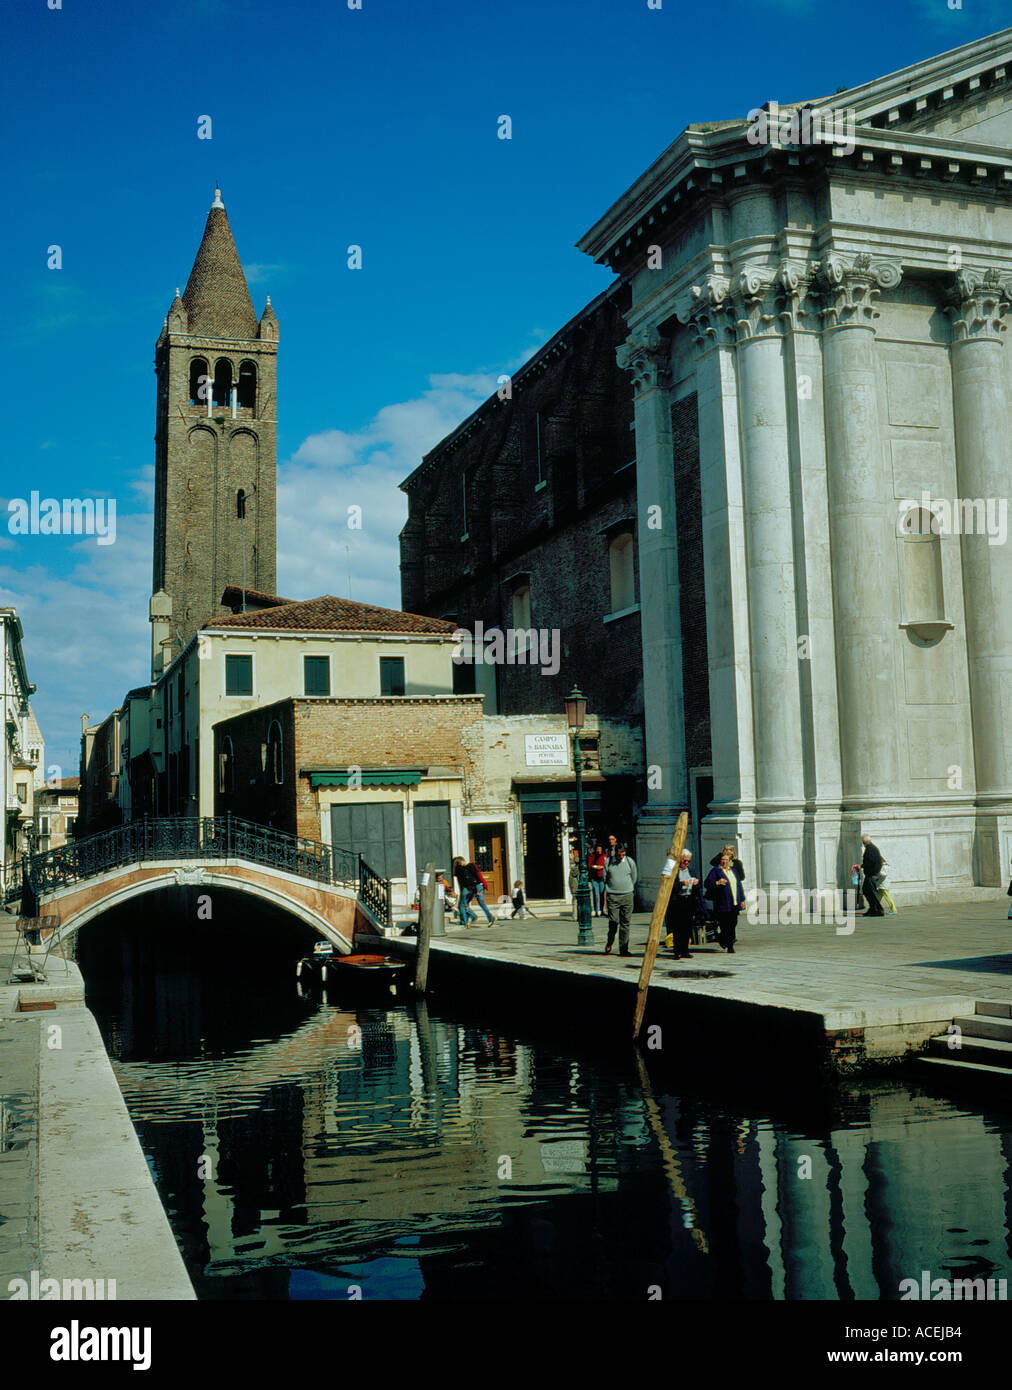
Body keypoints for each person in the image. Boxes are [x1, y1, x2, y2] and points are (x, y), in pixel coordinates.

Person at [704, 848, 744, 952]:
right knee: (725, 924)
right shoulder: (716, 871)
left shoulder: (733, 871)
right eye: (722, 859)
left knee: (733, 923)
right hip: (722, 903)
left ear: (729, 860)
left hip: (734, 903)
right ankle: (729, 946)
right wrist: (717, 883)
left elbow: (739, 885)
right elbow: (707, 883)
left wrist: (742, 900)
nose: (724, 862)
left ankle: (723, 938)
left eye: (726, 859)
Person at [603, 844, 637, 956]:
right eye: (619, 855)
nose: (621, 857)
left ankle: (624, 949)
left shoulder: (629, 861)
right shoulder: (608, 862)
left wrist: (629, 888)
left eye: (623, 854)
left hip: (627, 895)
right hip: (613, 896)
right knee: (613, 922)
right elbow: (605, 877)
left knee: (625, 923)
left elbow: (634, 877)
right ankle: (609, 942)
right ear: (615, 853)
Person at [665, 849, 699, 959]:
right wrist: (681, 883)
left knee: (687, 927)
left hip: (688, 900)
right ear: (680, 859)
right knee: (677, 927)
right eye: (684, 861)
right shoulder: (674, 870)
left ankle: (685, 950)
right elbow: (669, 886)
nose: (686, 863)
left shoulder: (691, 870)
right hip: (677, 901)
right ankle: (677, 951)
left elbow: (697, 887)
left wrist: (696, 883)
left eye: (688, 861)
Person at [860, 834, 885, 917]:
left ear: (864, 841)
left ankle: (878, 909)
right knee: (867, 890)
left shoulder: (870, 849)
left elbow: (870, 862)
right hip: (873, 873)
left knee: (870, 891)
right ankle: (873, 908)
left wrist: (862, 866)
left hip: (871, 874)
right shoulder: (873, 848)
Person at [587, 842, 607, 916]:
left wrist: (601, 867)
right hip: (594, 877)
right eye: (597, 849)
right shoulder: (592, 856)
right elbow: (589, 865)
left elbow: (605, 865)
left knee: (602, 894)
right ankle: (596, 909)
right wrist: (594, 867)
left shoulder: (604, 856)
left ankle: (602, 909)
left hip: (601, 877)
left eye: (600, 849)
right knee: (596, 893)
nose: (598, 850)